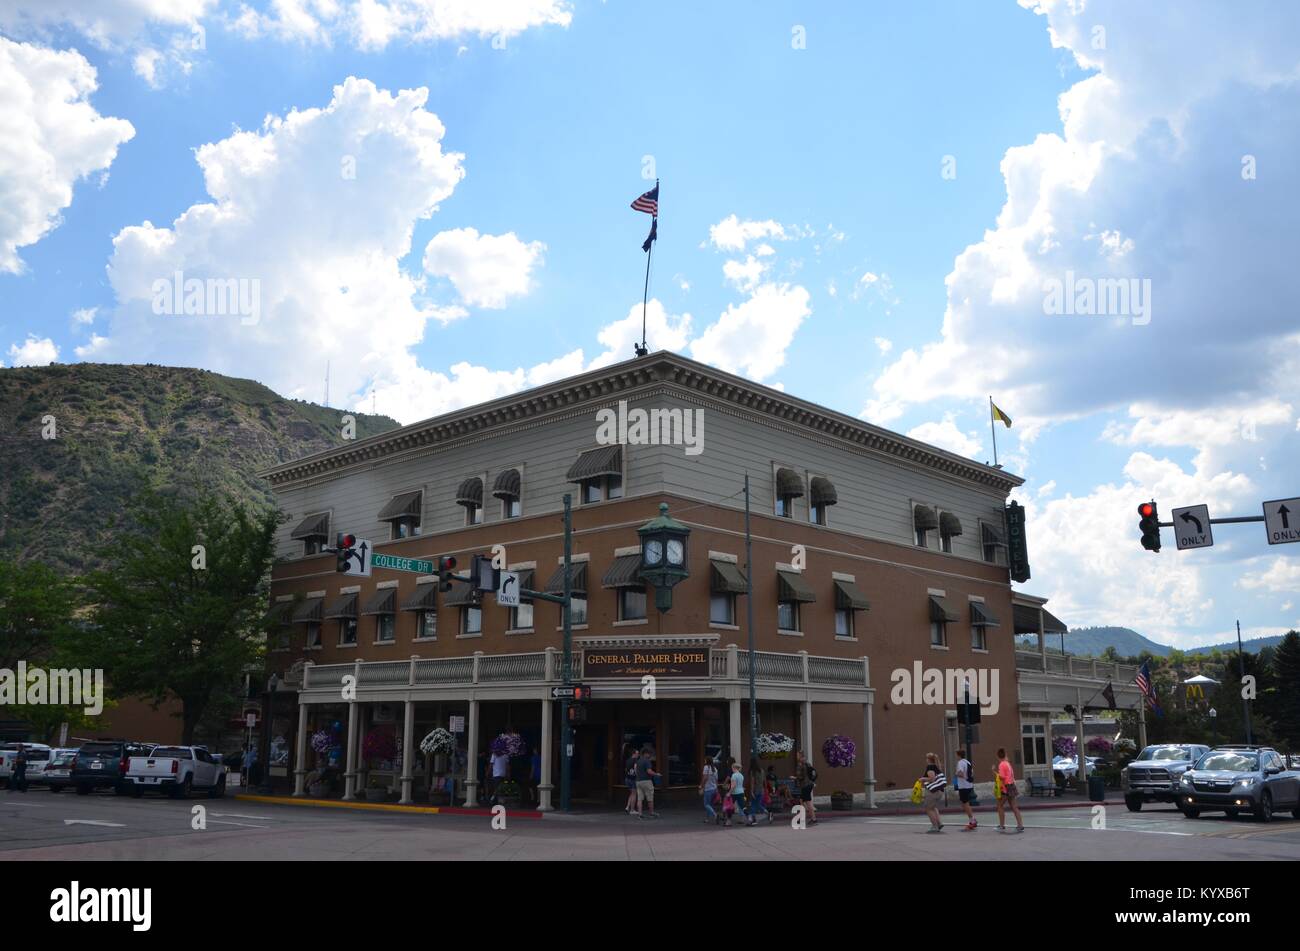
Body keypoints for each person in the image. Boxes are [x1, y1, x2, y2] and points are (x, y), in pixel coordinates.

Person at [995, 748, 1025, 833]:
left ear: (998, 756)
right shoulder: (1008, 764)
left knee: (1000, 806)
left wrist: (996, 774)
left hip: (1005, 787)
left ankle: (1001, 825)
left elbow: (1002, 777)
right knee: (1014, 806)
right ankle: (1020, 825)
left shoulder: (1001, 764)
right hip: (1011, 785)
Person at [918, 752, 946, 832]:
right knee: (933, 807)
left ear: (929, 760)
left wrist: (922, 779)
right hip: (939, 790)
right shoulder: (937, 766)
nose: (926, 760)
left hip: (933, 791)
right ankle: (939, 823)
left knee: (928, 808)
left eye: (926, 758)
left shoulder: (930, 767)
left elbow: (932, 778)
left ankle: (935, 826)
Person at [955, 748, 977, 831]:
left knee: (965, 803)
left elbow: (960, 772)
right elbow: (972, 773)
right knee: (965, 803)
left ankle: (972, 820)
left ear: (959, 755)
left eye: (957, 755)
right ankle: (972, 819)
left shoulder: (960, 763)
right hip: (969, 785)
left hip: (963, 786)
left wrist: (957, 774)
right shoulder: (968, 762)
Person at [794, 750, 818, 825]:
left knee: (808, 802)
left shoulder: (800, 764)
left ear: (800, 756)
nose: (797, 756)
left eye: (798, 755)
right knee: (802, 801)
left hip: (805, 785)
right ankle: (801, 818)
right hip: (810, 784)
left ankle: (813, 819)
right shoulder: (808, 763)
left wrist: (794, 778)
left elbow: (800, 776)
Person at [635, 747, 659, 818]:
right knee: (650, 797)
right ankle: (651, 812)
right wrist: (656, 774)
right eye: (649, 754)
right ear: (646, 754)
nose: (650, 755)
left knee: (640, 798)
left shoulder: (638, 761)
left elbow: (636, 770)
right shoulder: (647, 761)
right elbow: (649, 771)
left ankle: (640, 814)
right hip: (647, 781)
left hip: (638, 781)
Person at [747, 758, 771, 825]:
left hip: (755, 790)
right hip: (761, 790)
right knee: (758, 805)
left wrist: (751, 791)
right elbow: (764, 781)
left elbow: (752, 782)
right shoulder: (762, 770)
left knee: (753, 805)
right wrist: (765, 789)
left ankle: (753, 820)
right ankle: (768, 813)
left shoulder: (753, 771)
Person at [725, 760, 746, 827]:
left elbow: (733, 786)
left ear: (734, 768)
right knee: (743, 807)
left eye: (732, 768)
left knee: (729, 807)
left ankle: (728, 822)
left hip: (734, 793)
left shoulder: (734, 775)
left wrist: (729, 793)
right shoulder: (741, 775)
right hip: (741, 792)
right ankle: (750, 818)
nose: (732, 769)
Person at [699, 757, 719, 823]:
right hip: (714, 788)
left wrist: (701, 786)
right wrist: (716, 789)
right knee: (710, 804)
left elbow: (704, 778)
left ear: (707, 761)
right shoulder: (715, 769)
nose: (704, 761)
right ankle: (707, 819)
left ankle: (715, 814)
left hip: (708, 789)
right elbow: (716, 780)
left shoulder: (706, 767)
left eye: (705, 760)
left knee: (706, 804)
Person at [624, 745, 640, 814]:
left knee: (631, 793)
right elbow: (636, 768)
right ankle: (632, 810)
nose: (638, 755)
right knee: (634, 794)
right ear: (634, 754)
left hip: (627, 778)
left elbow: (625, 769)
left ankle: (627, 807)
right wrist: (638, 776)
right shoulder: (635, 760)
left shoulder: (628, 760)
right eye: (637, 753)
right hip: (633, 779)